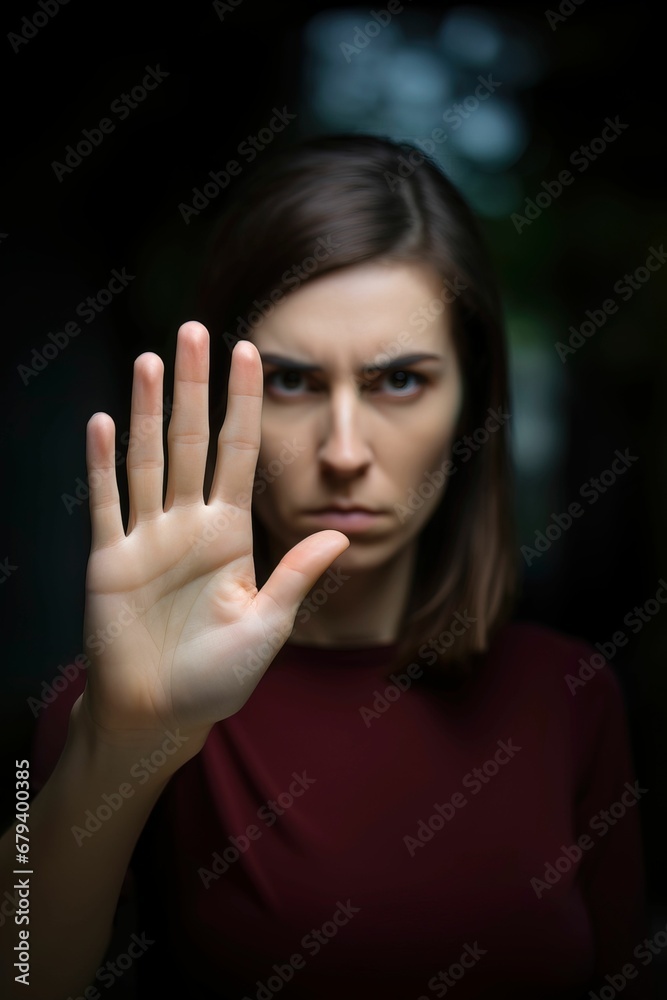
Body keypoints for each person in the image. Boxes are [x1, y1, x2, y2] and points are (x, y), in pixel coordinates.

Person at [1, 134, 654, 999]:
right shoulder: (116, 700)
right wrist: (119, 747)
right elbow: (18, 969)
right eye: (291, 382)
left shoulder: (570, 695)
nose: (344, 451)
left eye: (398, 381)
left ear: (473, 401)